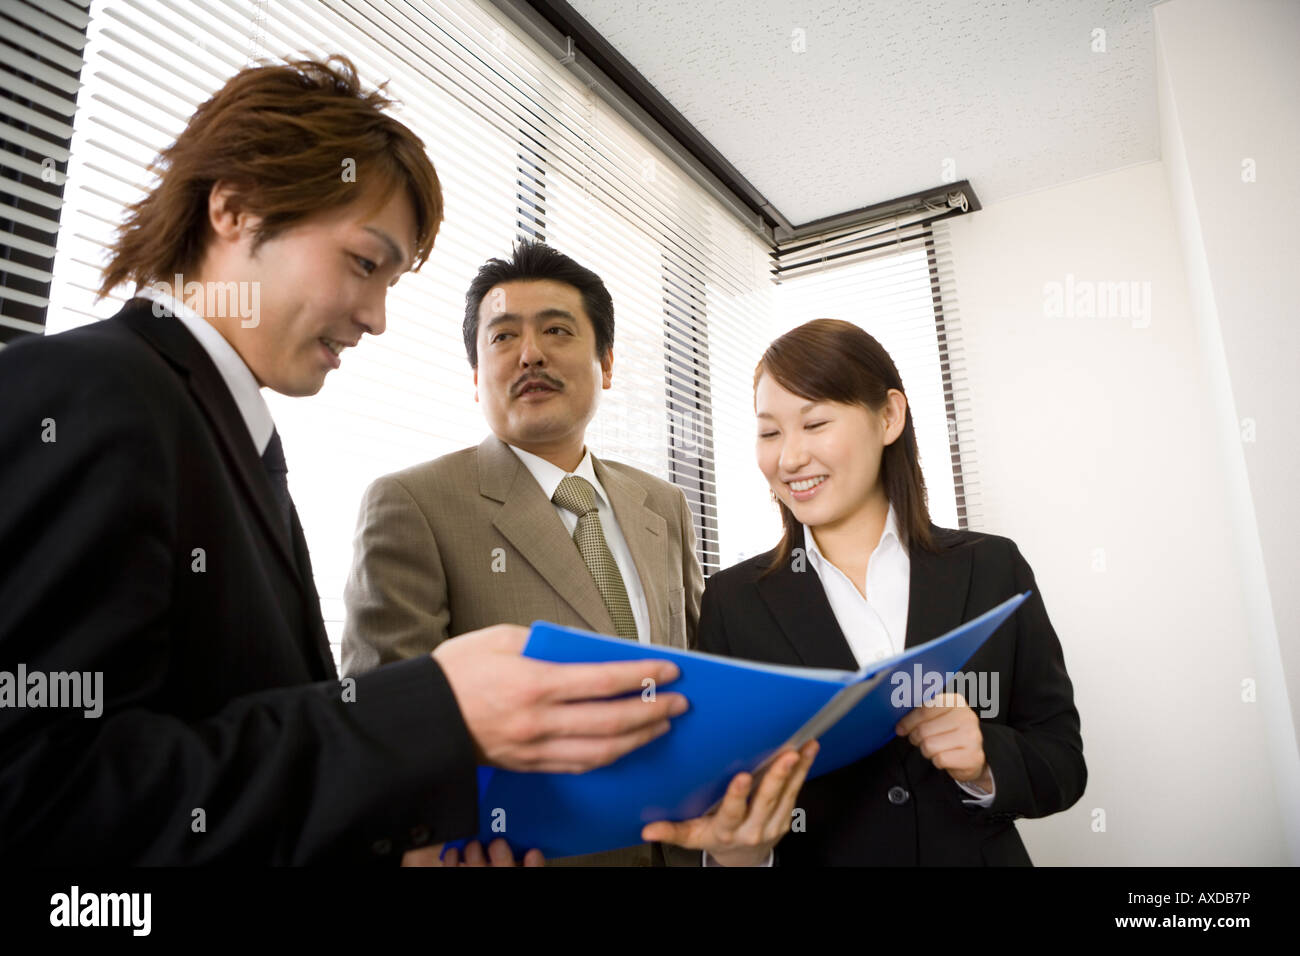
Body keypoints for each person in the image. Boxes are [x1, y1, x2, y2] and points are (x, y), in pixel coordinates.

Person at [0, 56, 692, 866]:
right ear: (235, 208)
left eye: (392, 280)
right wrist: (436, 710)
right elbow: (37, 795)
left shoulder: (229, 439)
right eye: (365, 263)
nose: (377, 317)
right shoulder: (91, 391)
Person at [343, 239, 814, 866]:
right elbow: (387, 730)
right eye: (503, 337)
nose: (530, 353)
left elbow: (700, 679)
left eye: (557, 330)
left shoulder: (663, 504)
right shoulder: (413, 503)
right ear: (477, 376)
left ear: (607, 365)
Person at [695, 318, 1086, 865]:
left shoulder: (993, 567)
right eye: (769, 433)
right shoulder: (732, 602)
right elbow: (718, 797)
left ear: (889, 417)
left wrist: (983, 760)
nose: (788, 458)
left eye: (815, 423)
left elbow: (1063, 763)